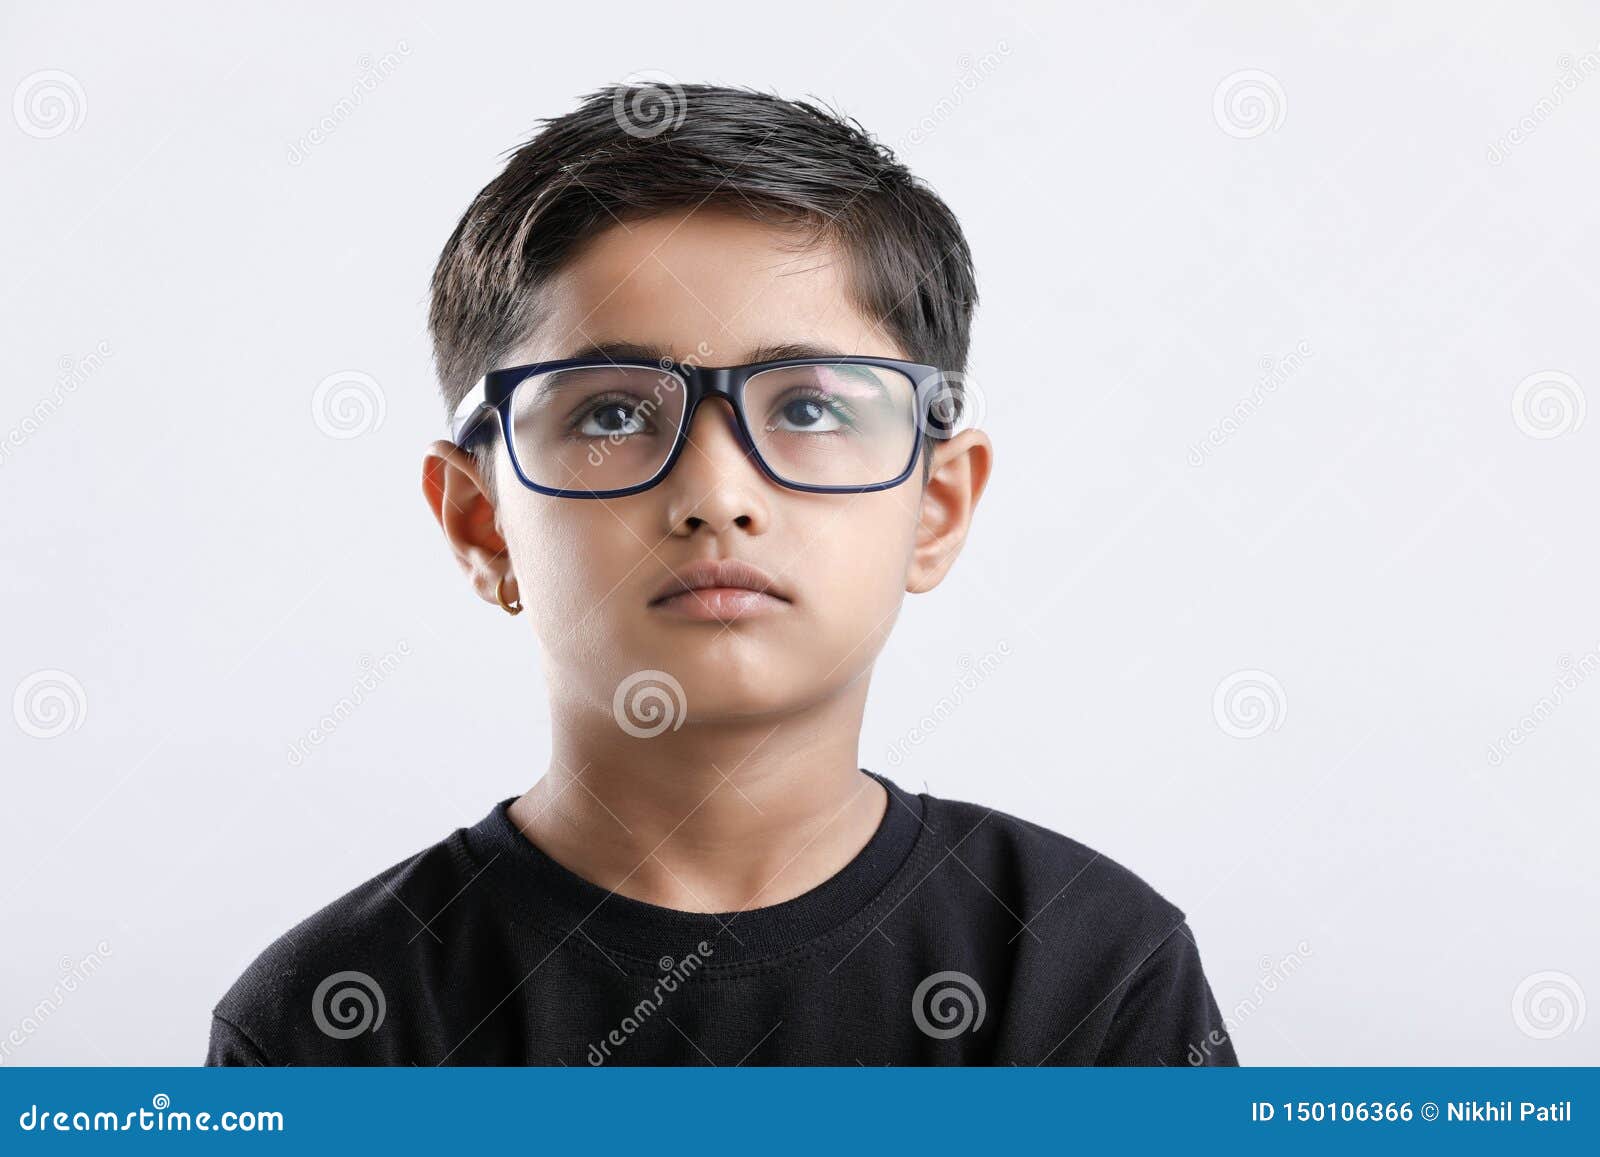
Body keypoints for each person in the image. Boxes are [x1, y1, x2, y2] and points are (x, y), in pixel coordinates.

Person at [205, 82, 1237, 1066]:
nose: (716, 494)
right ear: (483, 522)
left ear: (937, 506)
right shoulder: (337, 1022)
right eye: (611, 411)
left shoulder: (1088, 967)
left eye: (810, 407)